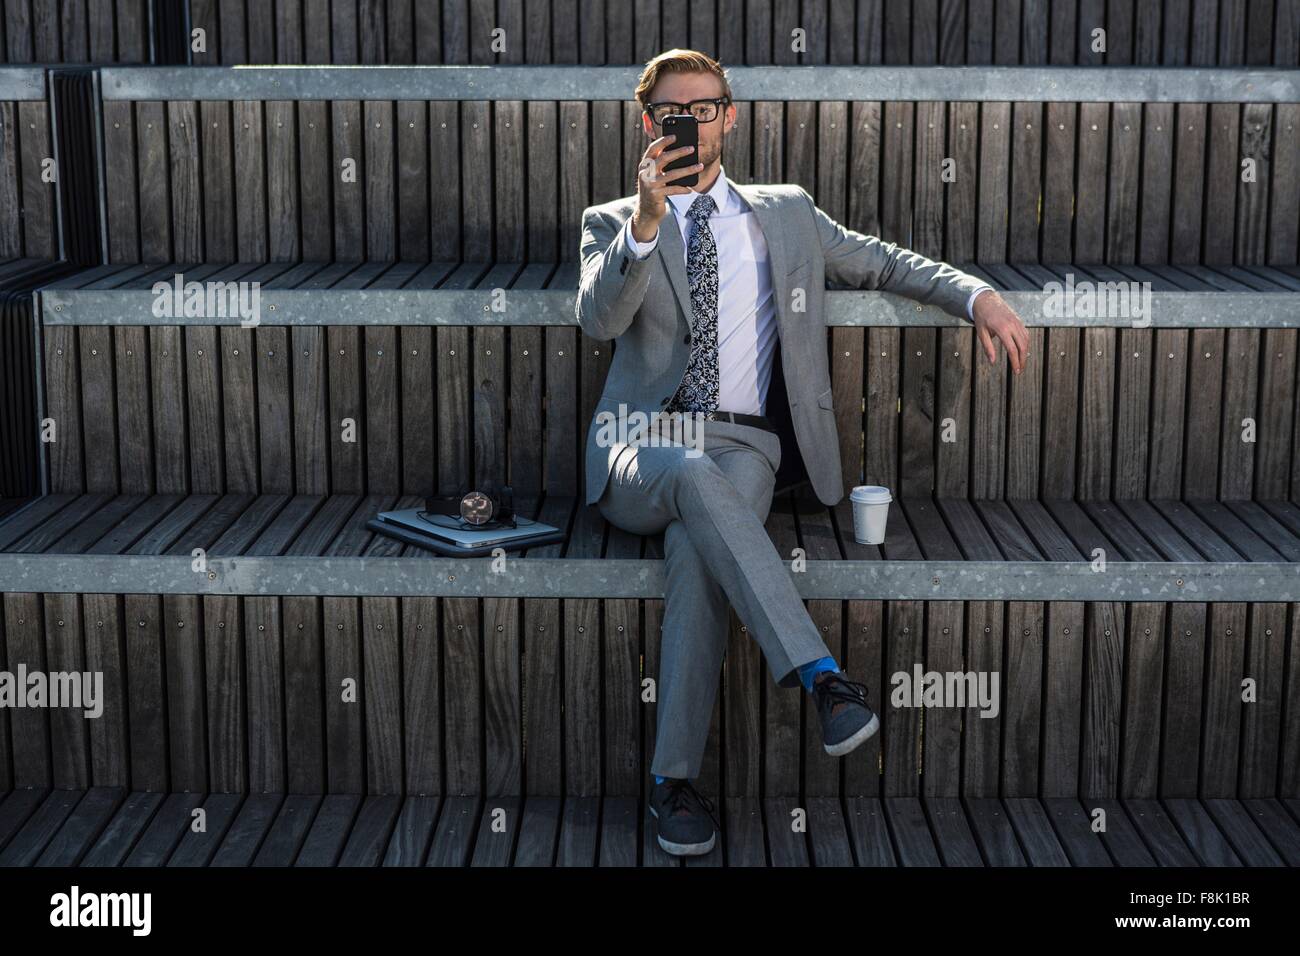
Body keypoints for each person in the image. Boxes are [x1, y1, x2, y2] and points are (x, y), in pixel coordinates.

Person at [575, 49, 1030, 857]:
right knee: (686, 477)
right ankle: (824, 679)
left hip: (745, 441)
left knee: (697, 553)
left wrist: (975, 294)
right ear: (651, 125)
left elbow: (884, 261)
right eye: (677, 111)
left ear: (732, 114)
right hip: (642, 445)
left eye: (709, 106)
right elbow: (600, 322)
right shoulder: (611, 221)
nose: (696, 121)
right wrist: (647, 223)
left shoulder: (785, 213)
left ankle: (668, 784)